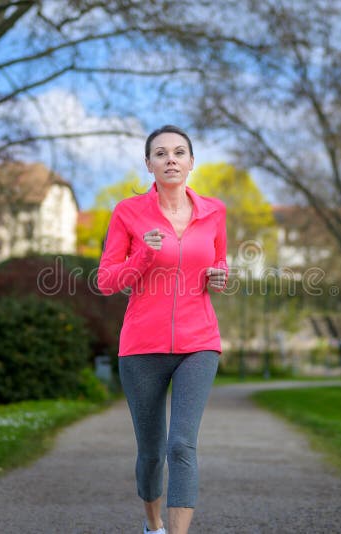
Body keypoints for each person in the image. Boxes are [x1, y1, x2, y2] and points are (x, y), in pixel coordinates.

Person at [97, 125, 228, 534]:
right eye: (160, 153)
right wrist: (143, 258)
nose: (170, 159)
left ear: (191, 162)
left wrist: (220, 275)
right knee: (152, 452)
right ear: (149, 164)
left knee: (181, 446)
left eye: (178, 152)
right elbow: (106, 281)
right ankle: (152, 525)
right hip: (142, 347)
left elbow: (219, 260)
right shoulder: (128, 213)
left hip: (199, 342)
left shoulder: (214, 211)